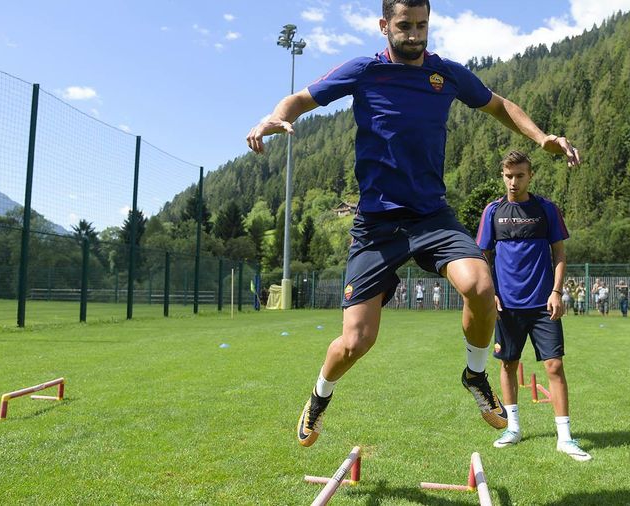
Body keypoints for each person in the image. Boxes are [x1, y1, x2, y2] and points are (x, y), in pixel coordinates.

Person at [247, 0, 581, 447]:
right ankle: (319, 396)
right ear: (385, 25)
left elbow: (500, 105)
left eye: (422, 25)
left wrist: (542, 138)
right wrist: (279, 115)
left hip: (431, 217)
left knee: (481, 285)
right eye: (405, 25)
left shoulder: (445, 75)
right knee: (356, 341)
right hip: (376, 226)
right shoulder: (363, 71)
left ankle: (475, 374)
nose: (415, 34)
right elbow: (302, 98)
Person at [476, 150, 590, 461]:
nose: (514, 182)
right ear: (503, 175)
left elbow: (560, 255)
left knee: (554, 366)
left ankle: (565, 437)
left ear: (531, 176)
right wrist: (492, 293)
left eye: (520, 176)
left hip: (543, 304)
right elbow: (483, 256)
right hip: (506, 306)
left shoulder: (546, 210)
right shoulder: (492, 212)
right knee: (508, 365)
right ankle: (512, 428)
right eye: (508, 176)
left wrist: (556, 292)